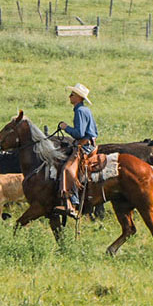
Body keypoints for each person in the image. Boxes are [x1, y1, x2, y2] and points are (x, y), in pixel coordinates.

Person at [54, 83, 98, 217]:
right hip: (90, 143)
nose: (69, 96)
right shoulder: (85, 110)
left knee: (67, 169)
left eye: (72, 94)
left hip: (84, 146)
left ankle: (73, 201)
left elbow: (79, 133)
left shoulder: (80, 111)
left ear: (78, 97)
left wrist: (65, 127)